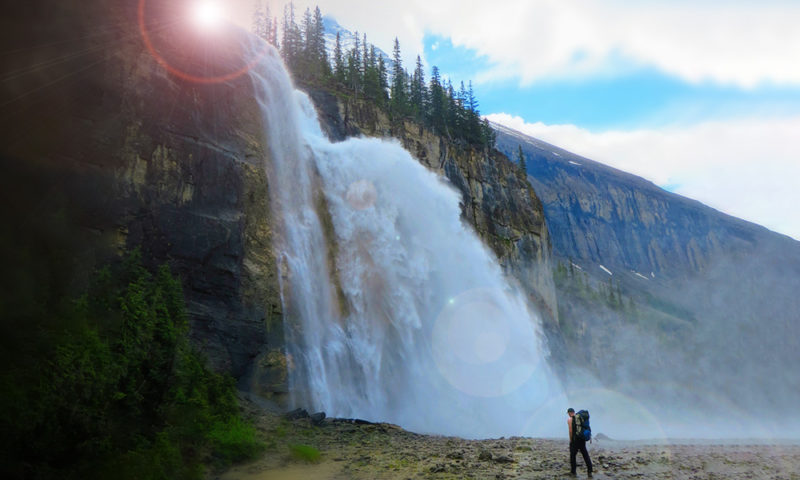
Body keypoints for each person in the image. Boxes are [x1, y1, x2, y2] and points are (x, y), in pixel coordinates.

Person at [567, 407, 593, 477]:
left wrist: (571, 439)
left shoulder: (570, 419)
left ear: (569, 413)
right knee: (585, 454)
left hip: (575, 440)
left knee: (572, 455)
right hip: (582, 439)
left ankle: (573, 472)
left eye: (568, 413)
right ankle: (590, 471)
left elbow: (570, 431)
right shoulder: (580, 419)